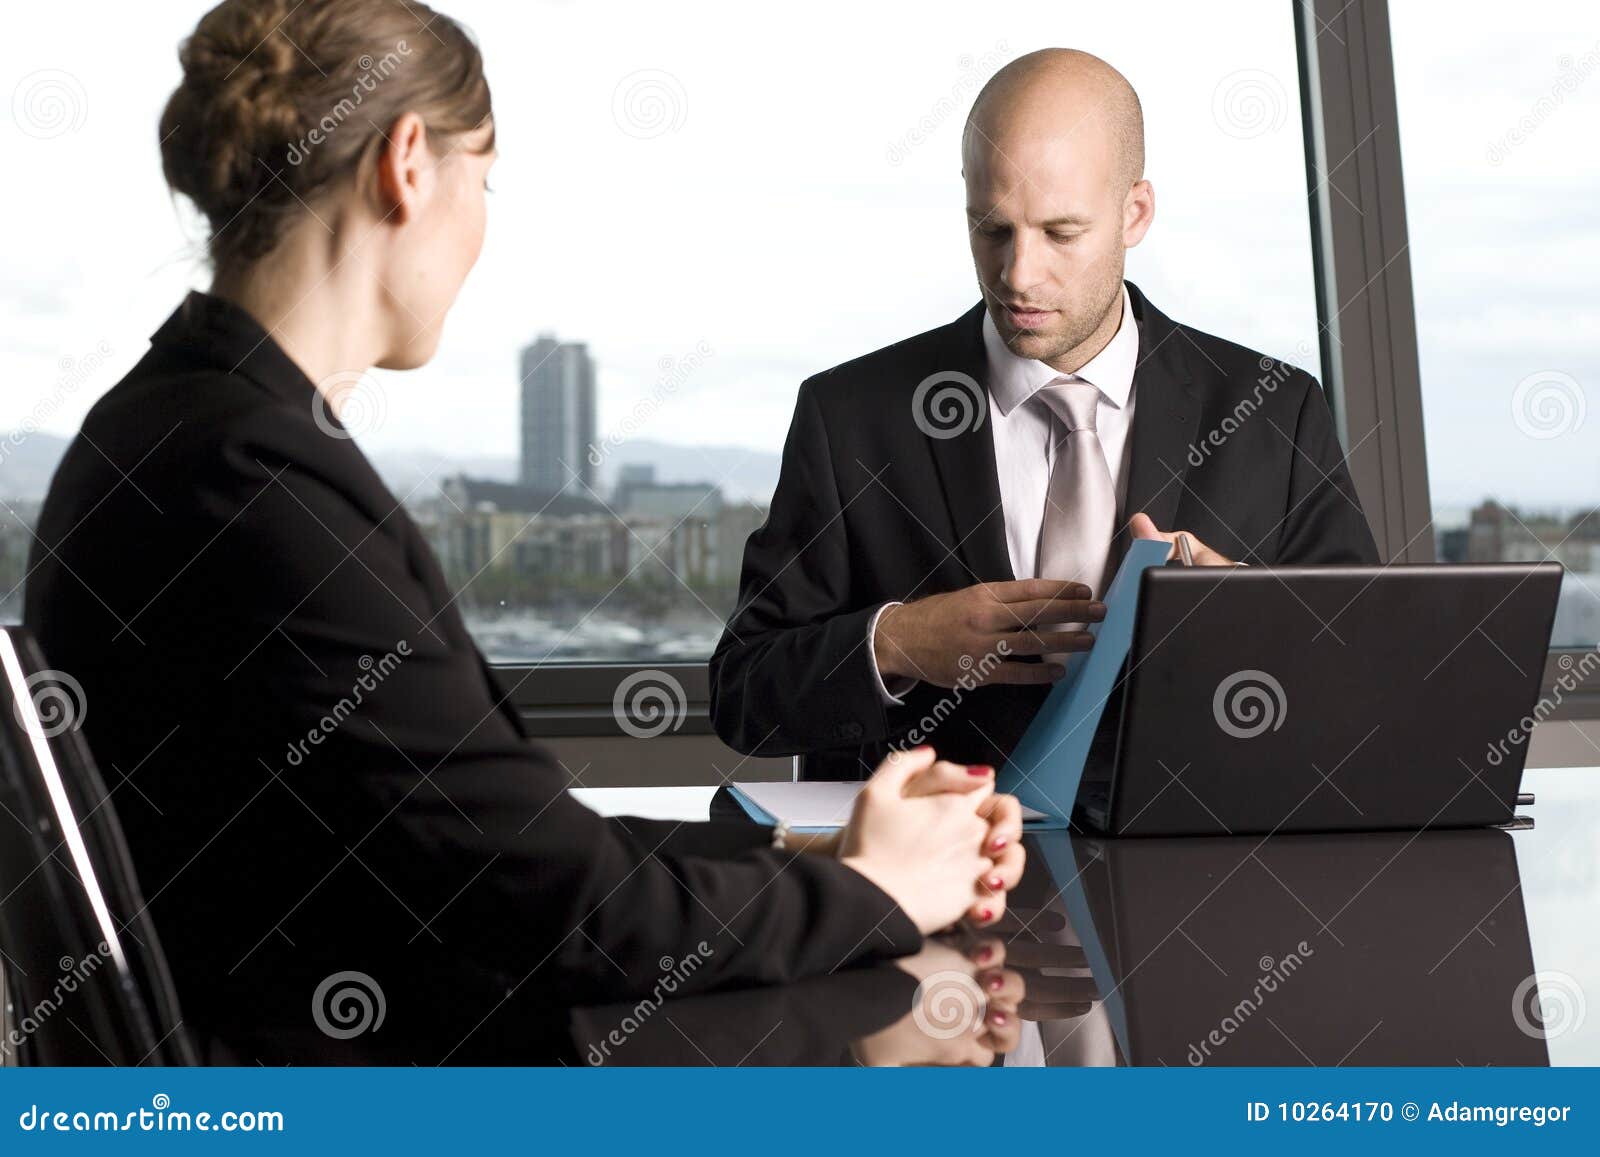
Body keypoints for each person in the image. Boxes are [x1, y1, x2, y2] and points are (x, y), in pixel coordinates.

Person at [21, 0, 1023, 1064]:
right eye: (484, 179)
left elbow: (496, 842)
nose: (481, 225)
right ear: (408, 162)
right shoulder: (251, 482)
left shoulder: (179, 429)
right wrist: (875, 891)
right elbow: (563, 909)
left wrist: (813, 847)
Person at [709, 48, 1380, 780]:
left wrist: (1252, 616)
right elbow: (743, 693)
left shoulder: (1274, 412)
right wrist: (897, 640)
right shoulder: (850, 418)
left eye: (1060, 233)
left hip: (1197, 877)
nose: (1019, 275)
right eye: (992, 230)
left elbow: (1367, 680)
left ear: (1135, 213)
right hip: (930, 882)